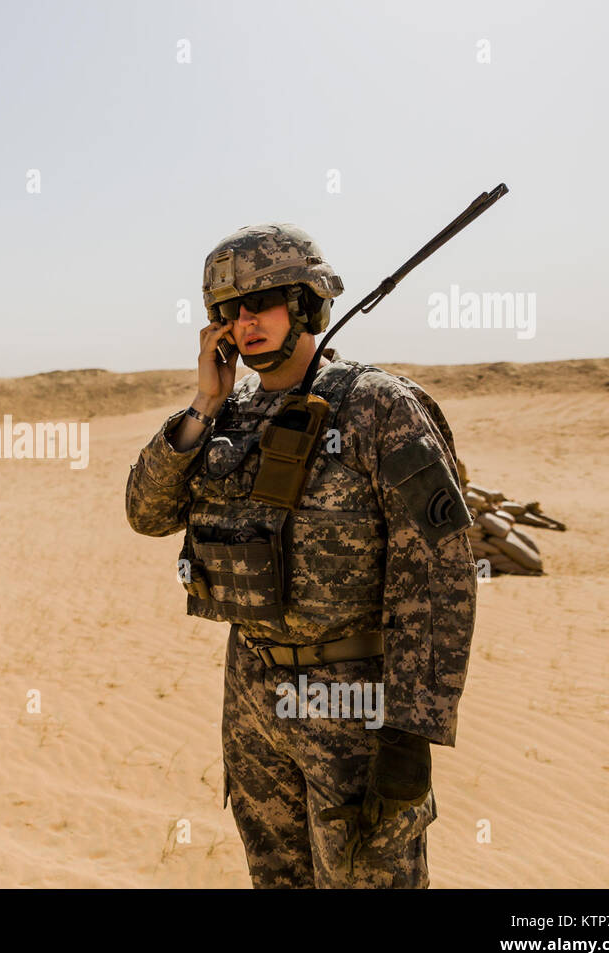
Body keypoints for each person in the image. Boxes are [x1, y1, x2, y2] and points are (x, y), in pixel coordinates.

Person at [125, 223, 477, 888]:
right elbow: (147, 512)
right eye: (227, 311)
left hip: (354, 705)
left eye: (260, 303)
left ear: (307, 301)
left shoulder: (380, 406)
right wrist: (205, 402)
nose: (243, 322)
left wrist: (409, 735)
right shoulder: (229, 418)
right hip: (254, 695)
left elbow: (439, 573)